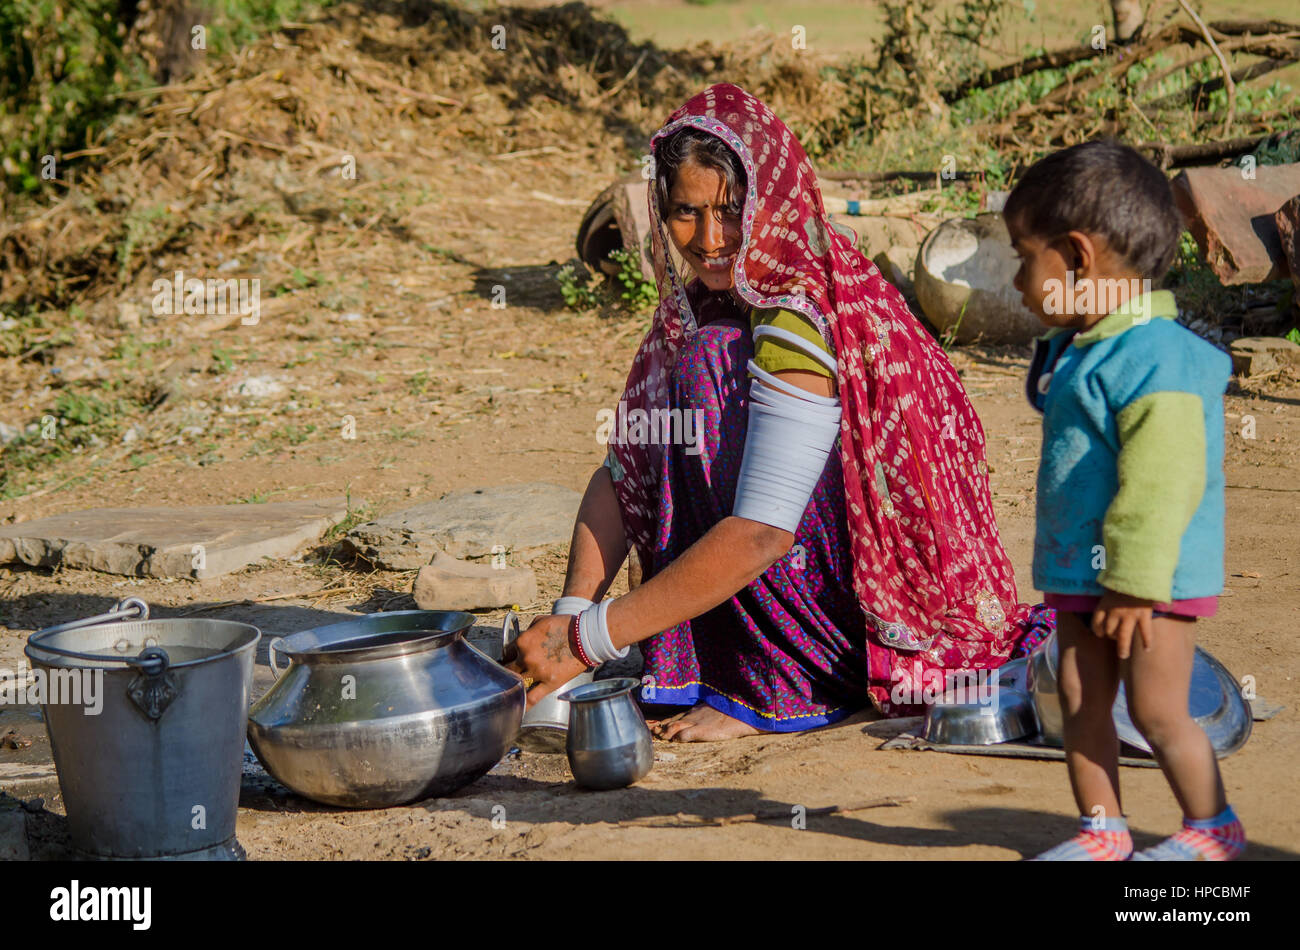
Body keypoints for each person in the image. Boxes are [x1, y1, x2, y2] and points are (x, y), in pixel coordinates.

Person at [505, 83, 1051, 742]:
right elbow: (625, 476)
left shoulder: (796, 309)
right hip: (788, 551)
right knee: (700, 360)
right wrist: (569, 619)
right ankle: (737, 658)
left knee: (710, 365)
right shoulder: (704, 308)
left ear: (772, 199)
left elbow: (765, 533)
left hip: (873, 612)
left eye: (733, 210)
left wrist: (588, 640)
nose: (711, 240)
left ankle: (786, 677)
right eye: (686, 211)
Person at [1006, 141, 1244, 860]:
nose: (1018, 280)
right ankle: (1103, 830)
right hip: (1082, 570)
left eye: (1025, 257)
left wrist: (1135, 583)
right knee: (1078, 698)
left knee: (1157, 708)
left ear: (1078, 258)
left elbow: (1163, 482)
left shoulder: (1159, 357)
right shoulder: (1091, 345)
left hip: (1152, 575)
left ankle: (1212, 828)